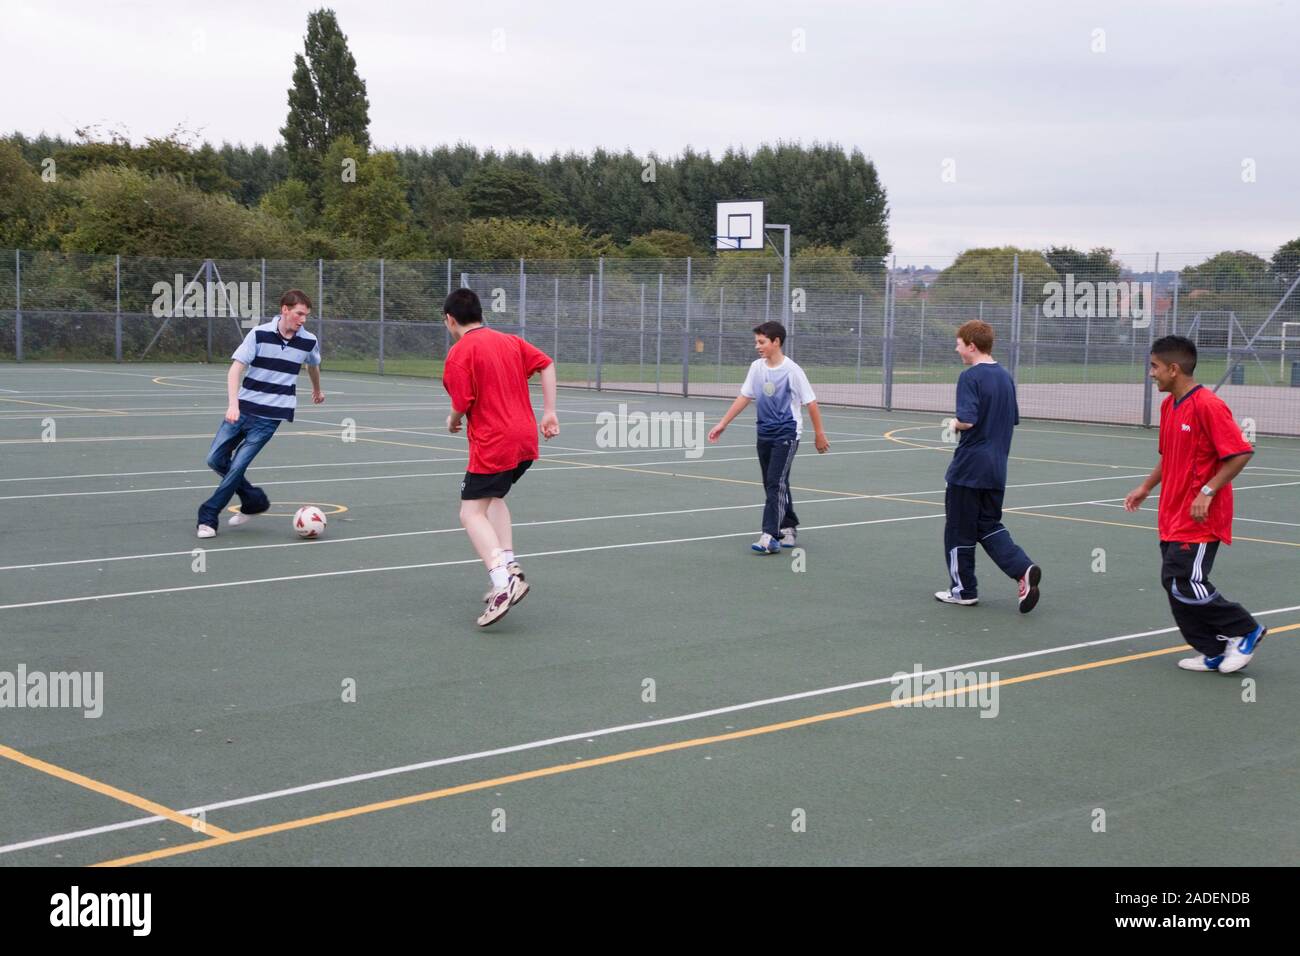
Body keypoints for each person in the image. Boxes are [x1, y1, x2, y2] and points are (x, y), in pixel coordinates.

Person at [1123, 335, 1265, 673]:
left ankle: (1246, 630)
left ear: (1174, 369)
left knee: (1185, 580)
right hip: (1172, 514)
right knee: (1173, 583)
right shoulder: (1168, 405)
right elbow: (1169, 456)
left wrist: (1208, 490)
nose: (1151, 374)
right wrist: (1146, 486)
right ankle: (1212, 649)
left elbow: (1241, 452)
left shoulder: (1208, 405)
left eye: (1155, 367)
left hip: (1200, 517)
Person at [442, 288, 559, 627]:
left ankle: (501, 581)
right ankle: (510, 565)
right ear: (480, 313)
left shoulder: (460, 353)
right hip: (525, 439)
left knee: (470, 511)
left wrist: (452, 421)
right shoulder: (509, 341)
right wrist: (549, 412)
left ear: (450, 320)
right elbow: (547, 364)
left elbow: (461, 403)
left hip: (494, 442)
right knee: (493, 498)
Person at [934, 319, 1042, 611]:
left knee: (958, 529)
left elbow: (968, 419)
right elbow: (1011, 419)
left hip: (969, 468)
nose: (956, 349)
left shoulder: (970, 377)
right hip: (996, 468)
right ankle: (1023, 568)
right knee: (987, 524)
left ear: (971, 345)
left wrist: (954, 423)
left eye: (959, 344)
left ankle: (963, 589)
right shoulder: (1005, 377)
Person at [196, 290, 322, 538]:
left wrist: (317, 390)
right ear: (284, 309)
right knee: (214, 459)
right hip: (243, 408)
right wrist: (233, 404)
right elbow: (235, 371)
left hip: (271, 416)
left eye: (306, 315)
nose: (303, 319)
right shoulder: (259, 333)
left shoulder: (309, 340)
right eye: (299, 313)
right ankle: (254, 500)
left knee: (237, 466)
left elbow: (313, 365)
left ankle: (208, 517)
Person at [707, 321, 829, 553]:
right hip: (764, 432)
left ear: (776, 342)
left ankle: (770, 536)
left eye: (761, 342)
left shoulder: (792, 371)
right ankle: (789, 526)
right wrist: (723, 423)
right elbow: (745, 396)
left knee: (775, 483)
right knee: (774, 483)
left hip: (787, 433)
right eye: (756, 342)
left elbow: (811, 403)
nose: (757, 346)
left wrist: (819, 435)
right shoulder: (757, 368)